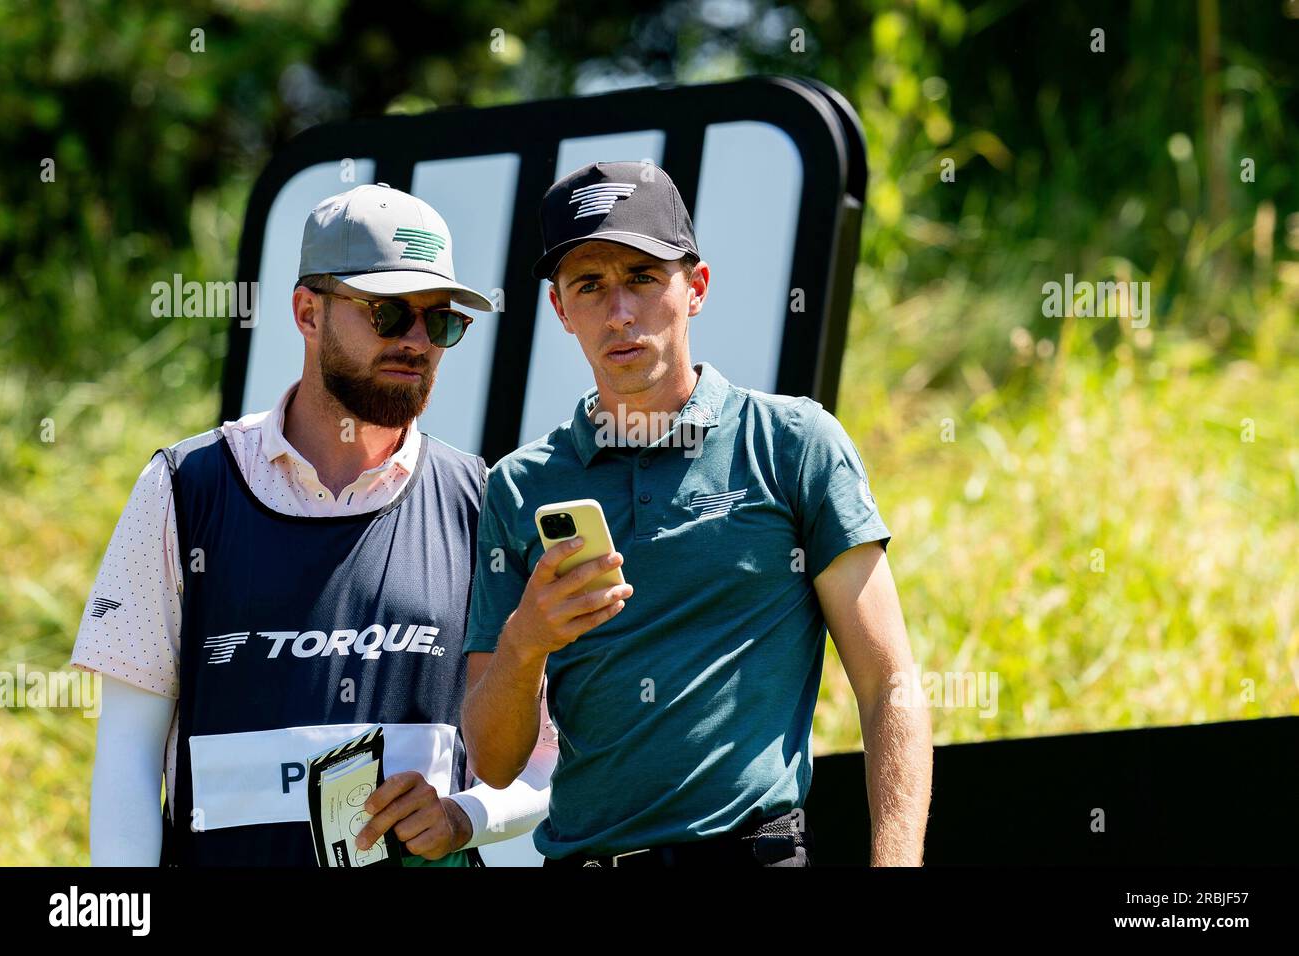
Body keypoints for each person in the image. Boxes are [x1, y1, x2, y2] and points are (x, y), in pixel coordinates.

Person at [461, 161, 932, 867]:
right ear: (561, 310)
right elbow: (494, 764)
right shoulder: (517, 487)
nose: (618, 312)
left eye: (642, 278)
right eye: (589, 286)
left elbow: (888, 683)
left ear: (696, 288)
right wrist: (528, 639)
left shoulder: (795, 444)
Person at [71, 183, 556, 866]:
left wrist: (463, 816)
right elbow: (126, 757)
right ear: (307, 311)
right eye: (388, 314)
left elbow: (541, 766)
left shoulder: (481, 500)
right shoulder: (184, 487)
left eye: (439, 320)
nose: (417, 342)